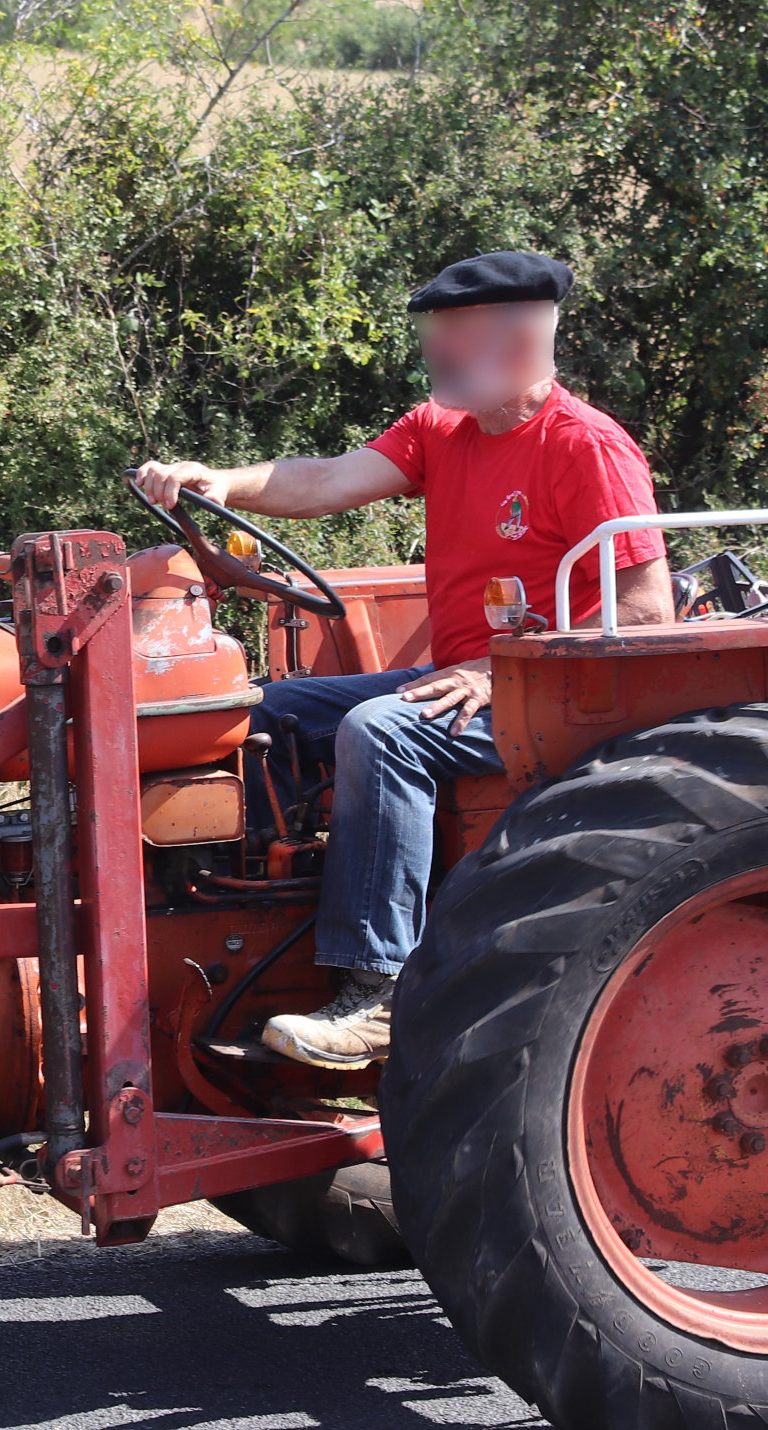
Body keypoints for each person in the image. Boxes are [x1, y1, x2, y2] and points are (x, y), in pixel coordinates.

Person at [133, 250, 674, 1068]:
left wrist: (499, 671)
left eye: (452, 333)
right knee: (263, 710)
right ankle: (256, 932)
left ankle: (379, 990)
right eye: (434, 332)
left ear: (520, 338)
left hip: (560, 694)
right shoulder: (441, 430)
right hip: (474, 679)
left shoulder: (586, 448)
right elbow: (324, 481)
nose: (434, 352)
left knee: (383, 731)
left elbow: (644, 610)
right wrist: (224, 483)